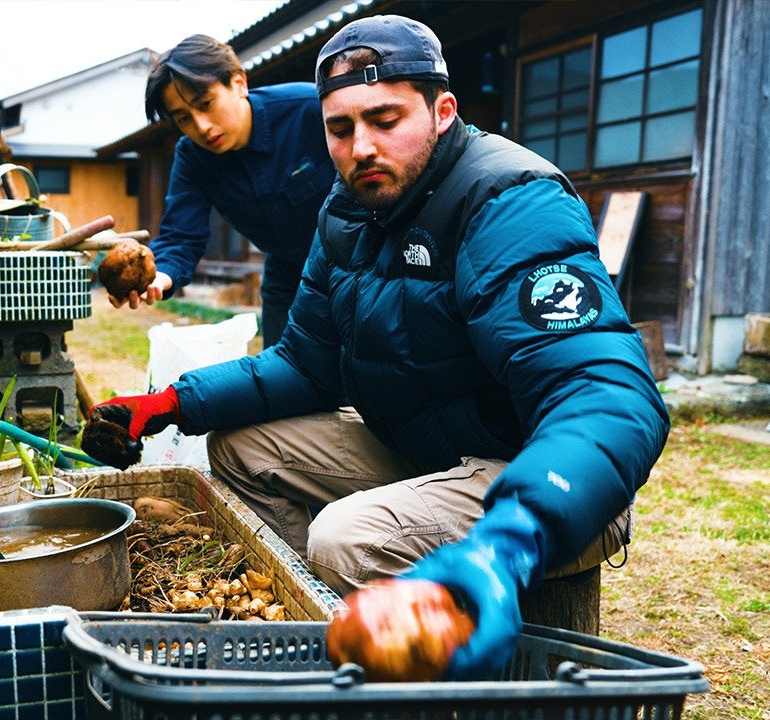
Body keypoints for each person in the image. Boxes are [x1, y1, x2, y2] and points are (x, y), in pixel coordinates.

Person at [87, 15, 668, 679]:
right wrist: (170, 403)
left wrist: (511, 537)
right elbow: (304, 363)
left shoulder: (506, 201)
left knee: (347, 535)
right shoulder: (346, 213)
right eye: (340, 128)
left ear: (442, 110)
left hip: (533, 477)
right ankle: (351, 645)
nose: (361, 146)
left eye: (385, 119)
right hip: (430, 446)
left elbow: (607, 396)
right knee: (243, 447)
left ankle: (428, 662)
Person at [111, 34, 335, 348]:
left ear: (239, 83)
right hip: (287, 273)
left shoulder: (311, 110)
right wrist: (159, 278)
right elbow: (181, 236)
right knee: (287, 384)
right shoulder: (192, 158)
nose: (201, 127)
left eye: (206, 104)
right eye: (184, 118)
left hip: (361, 263)